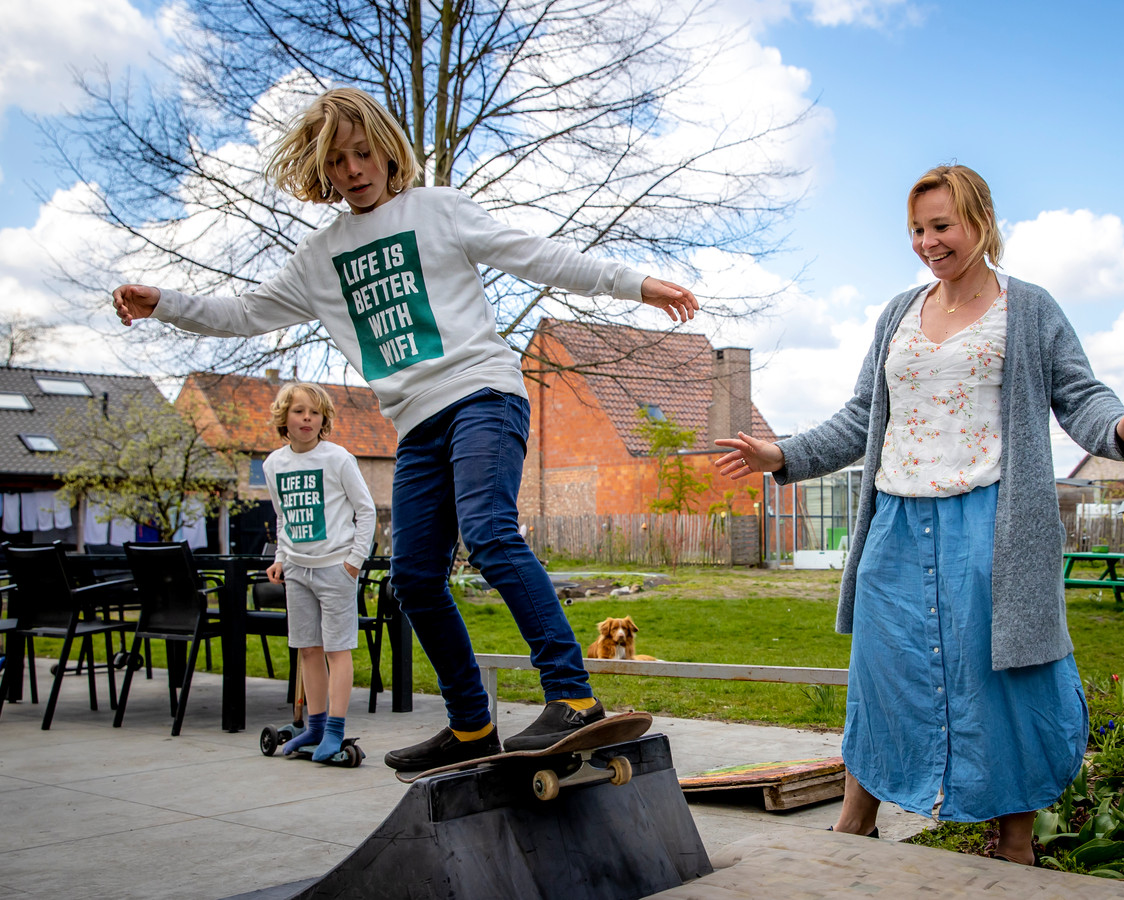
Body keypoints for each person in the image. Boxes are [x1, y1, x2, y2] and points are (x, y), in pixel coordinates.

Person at [112, 86, 699, 771]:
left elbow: (537, 256)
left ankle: (571, 697)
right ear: (321, 172)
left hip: (483, 395)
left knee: (487, 531)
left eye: (364, 154)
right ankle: (470, 727)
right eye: (337, 161)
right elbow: (244, 312)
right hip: (415, 427)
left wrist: (636, 283)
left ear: (388, 152)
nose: (354, 170)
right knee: (413, 579)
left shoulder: (437, 210)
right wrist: (166, 304)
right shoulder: (320, 257)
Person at [714, 164, 1124, 864]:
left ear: (980, 223)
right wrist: (781, 453)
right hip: (897, 524)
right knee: (885, 671)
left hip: (991, 522)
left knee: (1004, 675)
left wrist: (1123, 438)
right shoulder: (897, 314)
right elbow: (859, 418)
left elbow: (1081, 397)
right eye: (915, 229)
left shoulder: (1027, 309)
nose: (926, 242)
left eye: (941, 226)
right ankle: (856, 820)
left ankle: (1015, 839)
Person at [262, 382, 377, 762]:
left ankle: (335, 730)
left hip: (336, 570)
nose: (306, 418)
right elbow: (283, 517)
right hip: (297, 570)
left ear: (324, 418)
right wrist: (281, 557)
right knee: (308, 650)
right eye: (298, 411)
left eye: (314, 412)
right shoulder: (273, 465)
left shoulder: (338, 458)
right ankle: (313, 725)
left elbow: (367, 511)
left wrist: (353, 563)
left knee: (336, 650)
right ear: (285, 418)